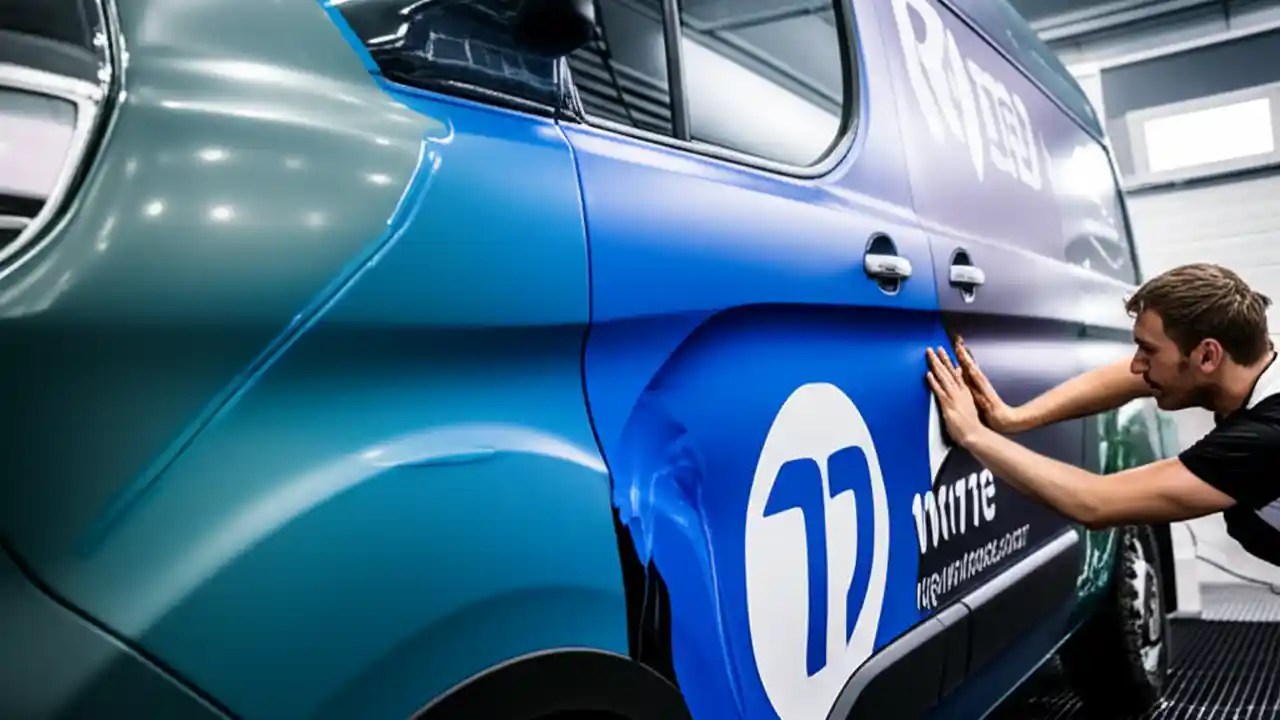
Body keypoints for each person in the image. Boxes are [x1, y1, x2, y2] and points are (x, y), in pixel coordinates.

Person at [925, 262, 1280, 568]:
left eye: (1147, 349)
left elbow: (1095, 502)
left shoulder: (1263, 439)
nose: (1137, 364)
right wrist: (1013, 418)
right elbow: (1129, 379)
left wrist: (975, 434)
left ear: (1207, 357)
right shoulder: (1251, 370)